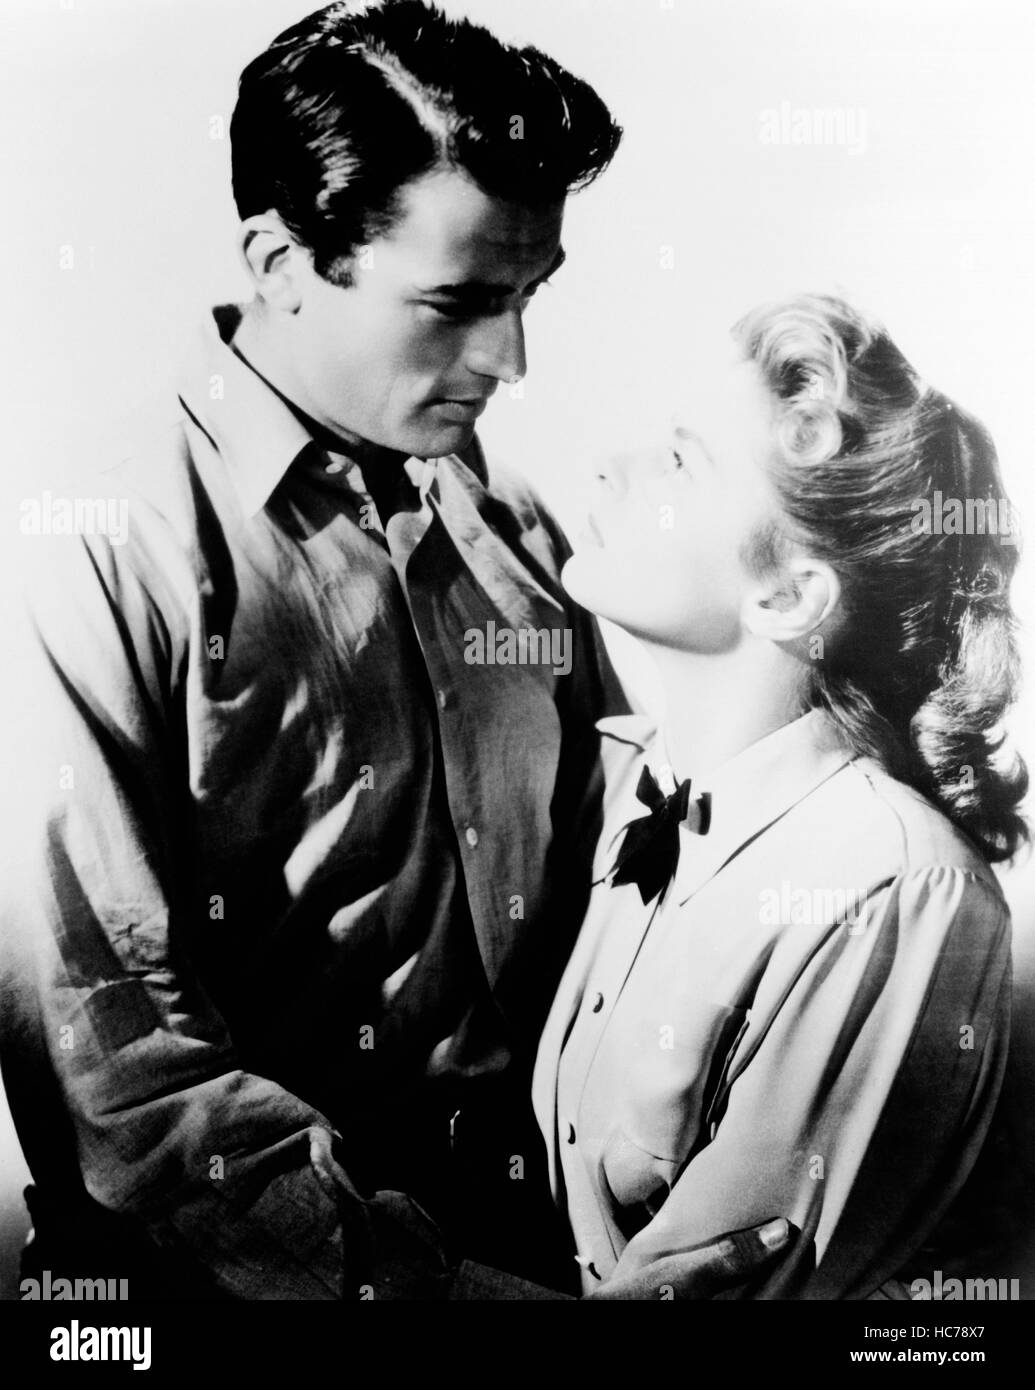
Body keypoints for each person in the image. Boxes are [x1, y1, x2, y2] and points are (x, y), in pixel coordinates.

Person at [0, 0, 790, 1303]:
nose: (509, 359)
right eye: (456, 302)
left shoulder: (517, 526)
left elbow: (625, 903)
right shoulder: (85, 554)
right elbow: (124, 1084)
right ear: (276, 258)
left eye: (528, 297)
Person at [533, 292, 1027, 1299]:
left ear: (790, 596)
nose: (607, 468)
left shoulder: (896, 889)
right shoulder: (637, 791)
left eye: (679, 462)